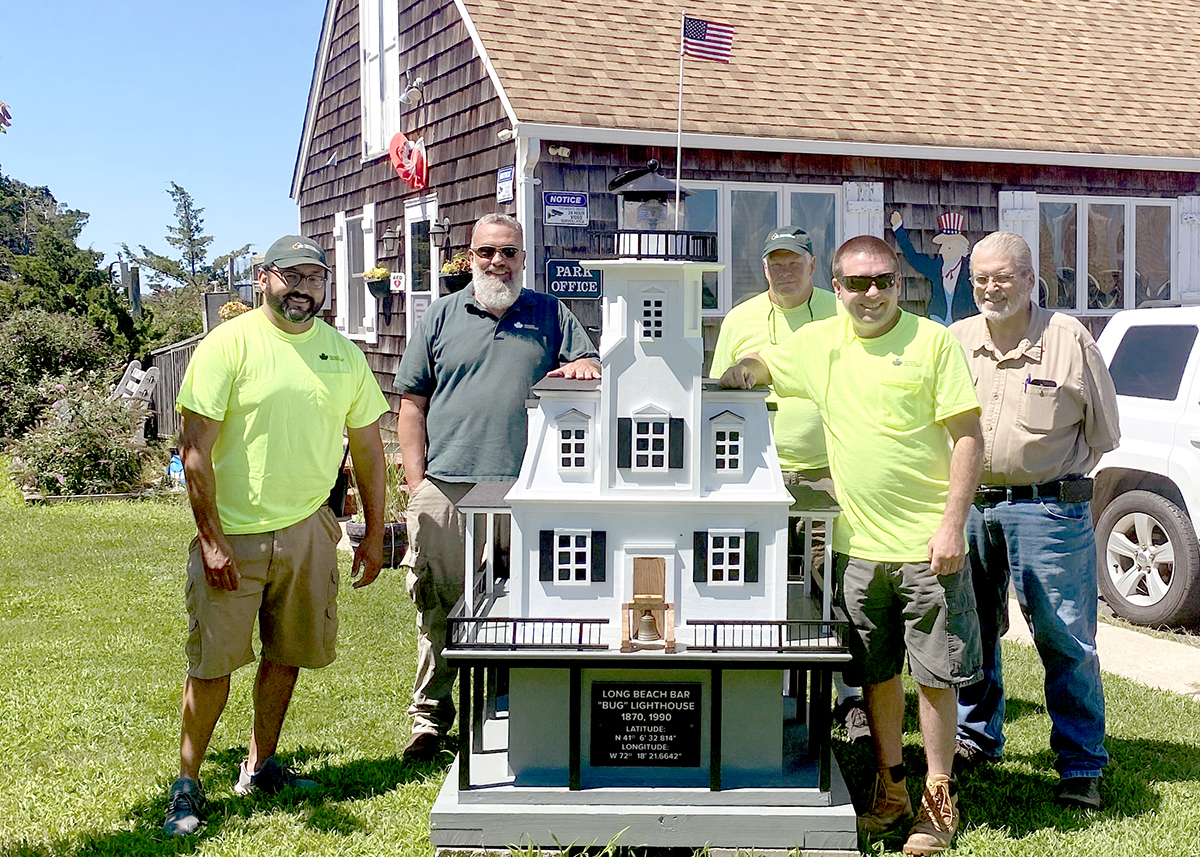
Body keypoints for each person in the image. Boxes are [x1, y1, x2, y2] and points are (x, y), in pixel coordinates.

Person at [720, 235, 984, 856]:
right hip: (856, 546)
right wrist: (739, 375)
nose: (870, 294)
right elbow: (763, 361)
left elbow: (969, 438)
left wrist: (951, 525)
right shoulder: (819, 344)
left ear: (900, 283)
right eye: (857, 283)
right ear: (834, 288)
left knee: (935, 676)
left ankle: (938, 802)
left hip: (928, 548)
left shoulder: (932, 342)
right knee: (876, 673)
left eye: (882, 282)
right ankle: (891, 790)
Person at [163, 235, 390, 836]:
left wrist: (372, 530)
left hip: (310, 528)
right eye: (291, 276)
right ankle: (187, 784)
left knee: (287, 653)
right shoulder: (228, 344)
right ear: (264, 278)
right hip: (234, 534)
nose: (304, 288)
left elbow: (368, 449)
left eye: (315, 278)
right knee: (213, 662)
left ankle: (260, 767)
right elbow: (194, 452)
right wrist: (210, 540)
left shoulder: (343, 354)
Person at [394, 213, 600, 761]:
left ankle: (509, 709)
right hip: (448, 488)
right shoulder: (440, 316)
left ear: (523, 259)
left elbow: (589, 363)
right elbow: (411, 404)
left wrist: (580, 366)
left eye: (508, 252)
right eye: (487, 252)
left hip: (527, 492)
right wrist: (417, 486)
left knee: (523, 606)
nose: (497, 262)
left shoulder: (551, 313)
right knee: (439, 603)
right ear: (470, 255)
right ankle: (430, 718)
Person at [950, 232, 1119, 810]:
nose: (990, 288)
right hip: (971, 506)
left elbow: (1104, 434)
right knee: (972, 630)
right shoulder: (957, 340)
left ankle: (1079, 764)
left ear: (1029, 280)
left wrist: (1048, 479)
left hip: (1049, 510)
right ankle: (976, 737)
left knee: (1064, 636)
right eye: (980, 278)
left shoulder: (1069, 339)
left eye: (1002, 277)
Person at [709, 225, 869, 743]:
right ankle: (772, 685)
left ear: (813, 263)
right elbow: (718, 394)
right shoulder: (740, 318)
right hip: (759, 473)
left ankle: (849, 697)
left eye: (794, 259)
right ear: (764, 267)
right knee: (765, 575)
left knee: (832, 581)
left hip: (829, 471)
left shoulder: (840, 310)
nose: (784, 268)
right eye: (775, 260)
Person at [891, 210, 976, 325]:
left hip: (963, 324)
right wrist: (898, 229)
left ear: (960, 248)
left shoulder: (970, 268)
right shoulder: (937, 267)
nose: (942, 251)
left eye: (948, 247)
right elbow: (913, 257)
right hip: (937, 320)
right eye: (942, 246)